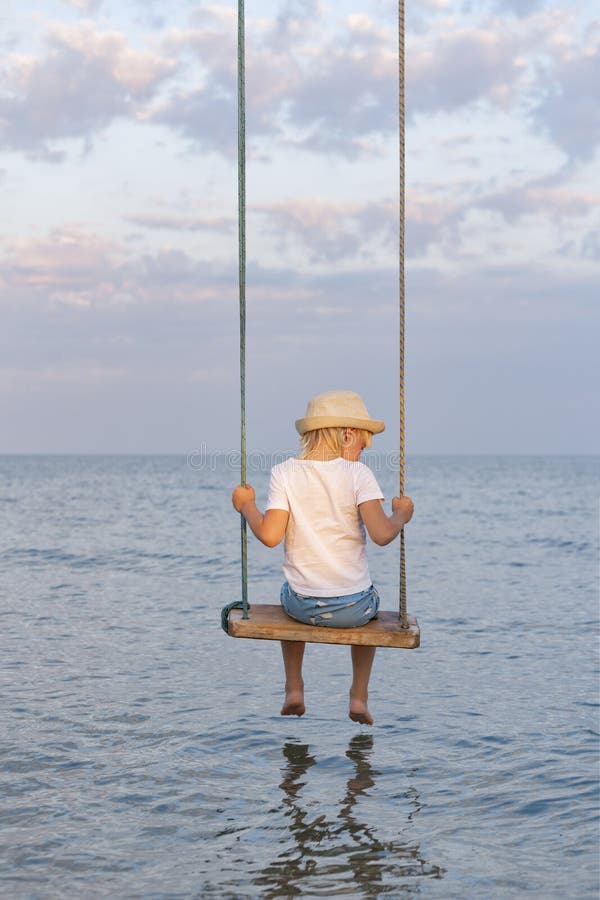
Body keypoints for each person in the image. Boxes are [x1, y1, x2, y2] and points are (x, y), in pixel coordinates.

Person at [231, 390, 414, 725]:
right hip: (354, 609)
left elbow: (270, 536)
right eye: (363, 443)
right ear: (346, 434)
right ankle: (359, 696)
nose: (364, 452)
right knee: (370, 604)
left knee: (288, 592)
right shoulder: (358, 475)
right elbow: (382, 534)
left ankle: (294, 688)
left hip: (301, 606)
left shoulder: (283, 472)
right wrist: (401, 515)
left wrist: (246, 506)